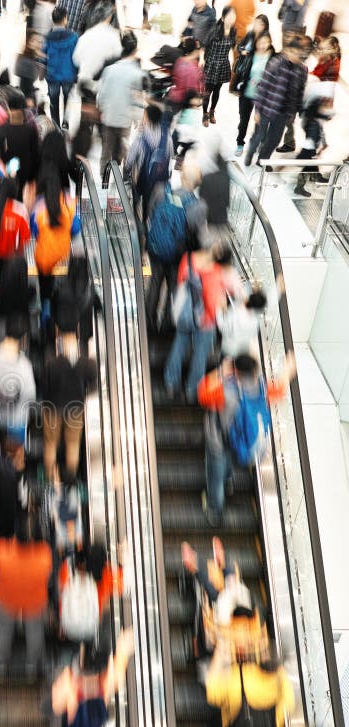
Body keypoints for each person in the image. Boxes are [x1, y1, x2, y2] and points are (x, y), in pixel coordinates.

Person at [204, 613, 294, 727]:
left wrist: (219, 652)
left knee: (214, 719)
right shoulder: (280, 677)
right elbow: (289, 705)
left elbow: (212, 693)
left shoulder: (239, 674)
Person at [198, 352, 294, 523]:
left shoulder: (226, 391)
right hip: (241, 444)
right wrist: (287, 371)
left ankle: (215, 510)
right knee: (228, 464)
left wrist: (221, 370)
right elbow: (280, 389)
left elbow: (202, 392)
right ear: (255, 371)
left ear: (235, 370)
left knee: (215, 476)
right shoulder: (262, 388)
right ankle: (227, 480)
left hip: (219, 442)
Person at [164, 246, 242, 404]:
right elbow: (231, 294)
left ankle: (171, 382)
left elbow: (180, 282)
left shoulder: (188, 258)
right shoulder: (218, 271)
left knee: (178, 347)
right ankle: (192, 390)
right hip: (207, 321)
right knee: (200, 355)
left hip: (186, 315)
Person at [145, 160, 209, 333]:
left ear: (181, 176)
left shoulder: (161, 191)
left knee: (155, 283)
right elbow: (200, 236)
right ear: (198, 183)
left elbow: (150, 215)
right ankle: (167, 324)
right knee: (174, 287)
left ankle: (148, 321)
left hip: (156, 249)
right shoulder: (198, 206)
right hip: (178, 254)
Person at [0, 507, 53, 680]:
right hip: (35, 602)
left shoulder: (1, 550)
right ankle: (32, 665)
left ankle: (1, 662)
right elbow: (48, 576)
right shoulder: (45, 554)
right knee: (35, 632)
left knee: (3, 630)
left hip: (8, 599)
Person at [42, 294, 98, 478]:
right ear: (78, 329)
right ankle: (70, 482)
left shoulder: (51, 360)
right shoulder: (86, 362)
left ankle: (53, 483)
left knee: (50, 444)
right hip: (76, 406)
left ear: (57, 329)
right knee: (73, 445)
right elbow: (93, 382)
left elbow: (44, 384)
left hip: (52, 406)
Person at [244, 35, 307, 166]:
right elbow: (262, 88)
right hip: (266, 108)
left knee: (274, 140)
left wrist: (293, 113)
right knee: (259, 136)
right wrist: (257, 110)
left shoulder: (302, 70)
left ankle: (262, 161)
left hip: (283, 113)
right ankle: (249, 154)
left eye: (298, 53)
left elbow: (299, 93)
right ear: (287, 51)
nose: (295, 56)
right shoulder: (276, 63)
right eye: (293, 52)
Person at [0, 314, 36, 445]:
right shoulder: (24, 366)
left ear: (5, 330)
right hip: (15, 421)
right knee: (15, 450)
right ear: (24, 338)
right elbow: (30, 396)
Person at [97, 30, 145, 180]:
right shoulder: (137, 73)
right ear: (135, 50)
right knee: (122, 149)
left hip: (109, 116)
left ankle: (104, 179)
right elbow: (137, 99)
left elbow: (102, 95)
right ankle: (118, 176)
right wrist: (138, 117)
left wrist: (101, 109)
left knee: (106, 148)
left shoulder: (109, 70)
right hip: (125, 118)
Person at [31, 170, 81, 308]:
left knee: (45, 281)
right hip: (62, 254)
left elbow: (35, 232)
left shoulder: (38, 206)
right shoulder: (69, 203)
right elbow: (76, 229)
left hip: (43, 257)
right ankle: (58, 302)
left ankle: (45, 308)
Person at [124, 103, 173, 228]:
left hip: (143, 180)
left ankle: (138, 222)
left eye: (144, 116)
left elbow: (129, 160)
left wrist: (127, 173)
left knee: (140, 197)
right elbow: (170, 154)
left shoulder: (141, 139)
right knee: (153, 204)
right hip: (161, 179)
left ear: (148, 119)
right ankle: (148, 221)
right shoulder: (167, 136)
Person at [0, 94, 41, 197]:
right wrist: (33, 177)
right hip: (26, 172)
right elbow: (35, 154)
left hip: (8, 174)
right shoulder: (30, 130)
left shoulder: (2, 129)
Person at [293, 84, 335, 197]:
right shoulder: (315, 103)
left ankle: (316, 175)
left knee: (311, 162)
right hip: (310, 142)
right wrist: (313, 146)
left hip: (312, 140)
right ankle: (299, 187)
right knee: (307, 164)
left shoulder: (315, 102)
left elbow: (313, 116)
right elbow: (311, 122)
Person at [235, 30, 272, 157]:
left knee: (260, 123)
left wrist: (261, 81)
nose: (262, 45)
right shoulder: (251, 54)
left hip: (263, 96)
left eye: (266, 42)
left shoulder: (272, 57)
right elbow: (242, 70)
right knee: (243, 120)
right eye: (260, 42)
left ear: (270, 43)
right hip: (247, 93)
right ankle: (240, 143)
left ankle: (256, 144)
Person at [72, 2, 122, 95]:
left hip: (83, 84)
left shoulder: (86, 35)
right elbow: (118, 59)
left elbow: (76, 59)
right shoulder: (114, 35)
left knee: (85, 107)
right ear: (109, 16)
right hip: (101, 86)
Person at [202, 6, 237, 127]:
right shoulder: (215, 30)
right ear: (223, 18)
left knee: (217, 90)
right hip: (212, 64)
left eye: (233, 16)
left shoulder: (233, 31)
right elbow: (204, 45)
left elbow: (233, 47)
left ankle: (212, 111)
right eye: (229, 16)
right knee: (208, 91)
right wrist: (202, 59)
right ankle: (204, 114)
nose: (232, 19)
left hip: (223, 64)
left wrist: (236, 57)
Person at [44, 8, 78, 128]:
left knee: (53, 101)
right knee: (68, 99)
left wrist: (43, 71)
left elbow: (42, 57)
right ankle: (65, 122)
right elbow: (77, 56)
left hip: (52, 75)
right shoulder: (74, 37)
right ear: (65, 19)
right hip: (68, 75)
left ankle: (55, 125)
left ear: (53, 20)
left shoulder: (47, 37)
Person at [14, 30, 46, 104]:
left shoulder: (30, 58)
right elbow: (26, 86)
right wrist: (29, 100)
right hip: (28, 99)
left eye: (40, 41)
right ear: (28, 43)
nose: (38, 44)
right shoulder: (27, 62)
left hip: (28, 96)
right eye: (35, 41)